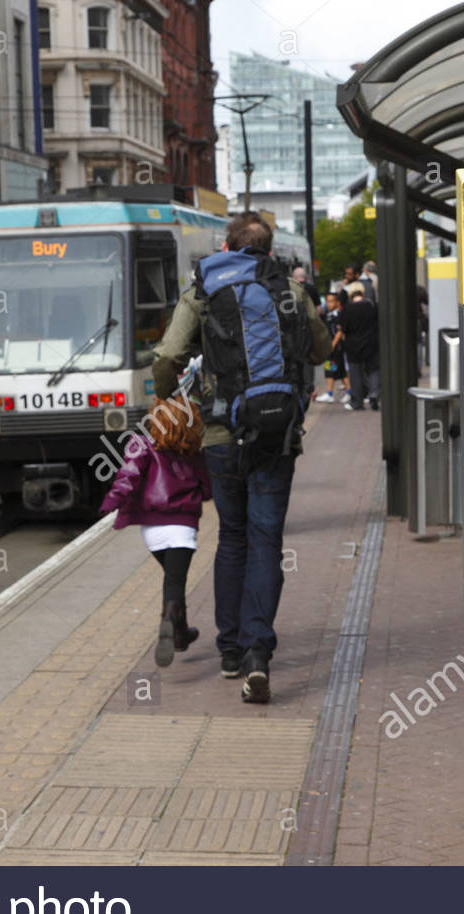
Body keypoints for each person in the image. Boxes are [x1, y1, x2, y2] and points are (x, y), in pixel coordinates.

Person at [151, 211, 332, 704]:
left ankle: (228, 651)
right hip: (277, 433)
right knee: (266, 538)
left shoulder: (204, 289)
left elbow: (166, 357)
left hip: (220, 433)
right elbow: (320, 351)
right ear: (269, 249)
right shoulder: (290, 291)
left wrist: (168, 396)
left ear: (229, 246)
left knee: (231, 536)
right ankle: (258, 653)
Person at [100, 394, 211, 668]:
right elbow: (207, 490)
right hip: (182, 528)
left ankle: (181, 633)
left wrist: (111, 502)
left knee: (173, 579)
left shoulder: (140, 445)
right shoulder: (194, 452)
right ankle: (169, 618)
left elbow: (128, 476)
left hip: (152, 531)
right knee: (175, 582)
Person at [340, 290, 381, 411]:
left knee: (355, 374)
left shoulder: (347, 309)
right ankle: (374, 394)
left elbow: (343, 327)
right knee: (373, 370)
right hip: (371, 343)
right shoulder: (372, 307)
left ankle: (357, 402)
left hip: (353, 345)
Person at [316, 290, 350, 405]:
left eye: (331, 301)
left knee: (331, 370)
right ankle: (348, 392)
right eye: (327, 301)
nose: (329, 304)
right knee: (338, 371)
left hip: (336, 348)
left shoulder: (338, 315)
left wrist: (333, 344)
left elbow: (340, 331)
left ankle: (331, 393)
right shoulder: (328, 315)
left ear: (337, 302)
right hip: (332, 348)